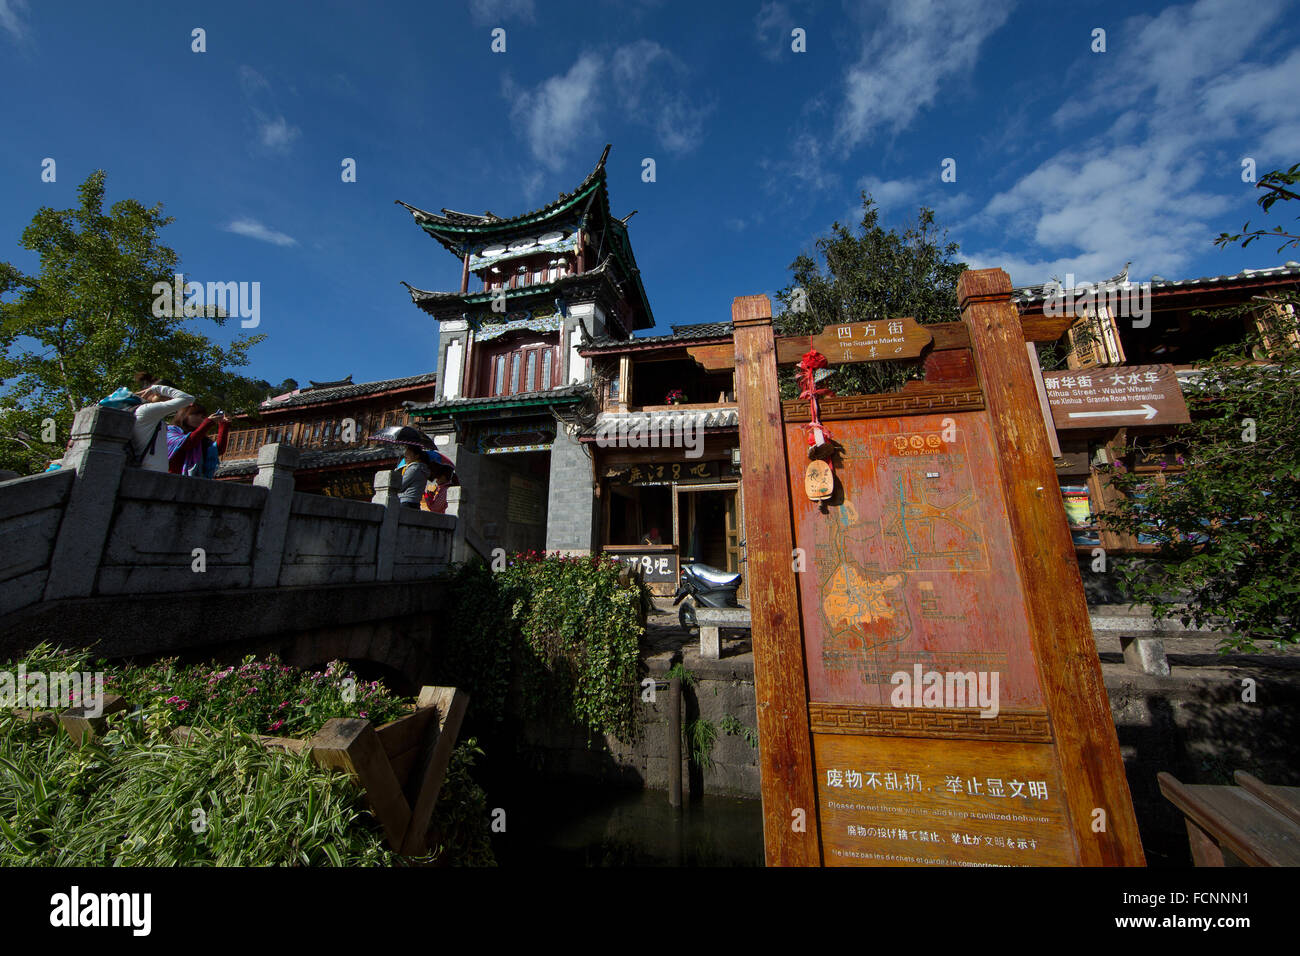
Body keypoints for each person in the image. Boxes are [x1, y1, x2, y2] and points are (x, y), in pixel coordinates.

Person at [131, 375, 194, 472]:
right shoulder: (147, 410)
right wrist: (157, 388)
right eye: (170, 398)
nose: (170, 401)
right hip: (146, 471)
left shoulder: (151, 414)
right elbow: (188, 398)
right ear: (159, 394)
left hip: (149, 471)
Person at [167, 405, 230, 477]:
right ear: (184, 415)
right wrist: (208, 422)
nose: (200, 418)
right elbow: (188, 443)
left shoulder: (199, 437)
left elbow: (218, 450)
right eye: (196, 415)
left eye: (203, 417)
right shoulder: (170, 431)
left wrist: (224, 425)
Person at [395, 443, 431, 509]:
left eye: (408, 453)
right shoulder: (421, 468)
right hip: (415, 502)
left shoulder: (414, 468)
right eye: (405, 453)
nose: (405, 456)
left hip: (406, 501)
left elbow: (401, 485)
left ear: (416, 456)